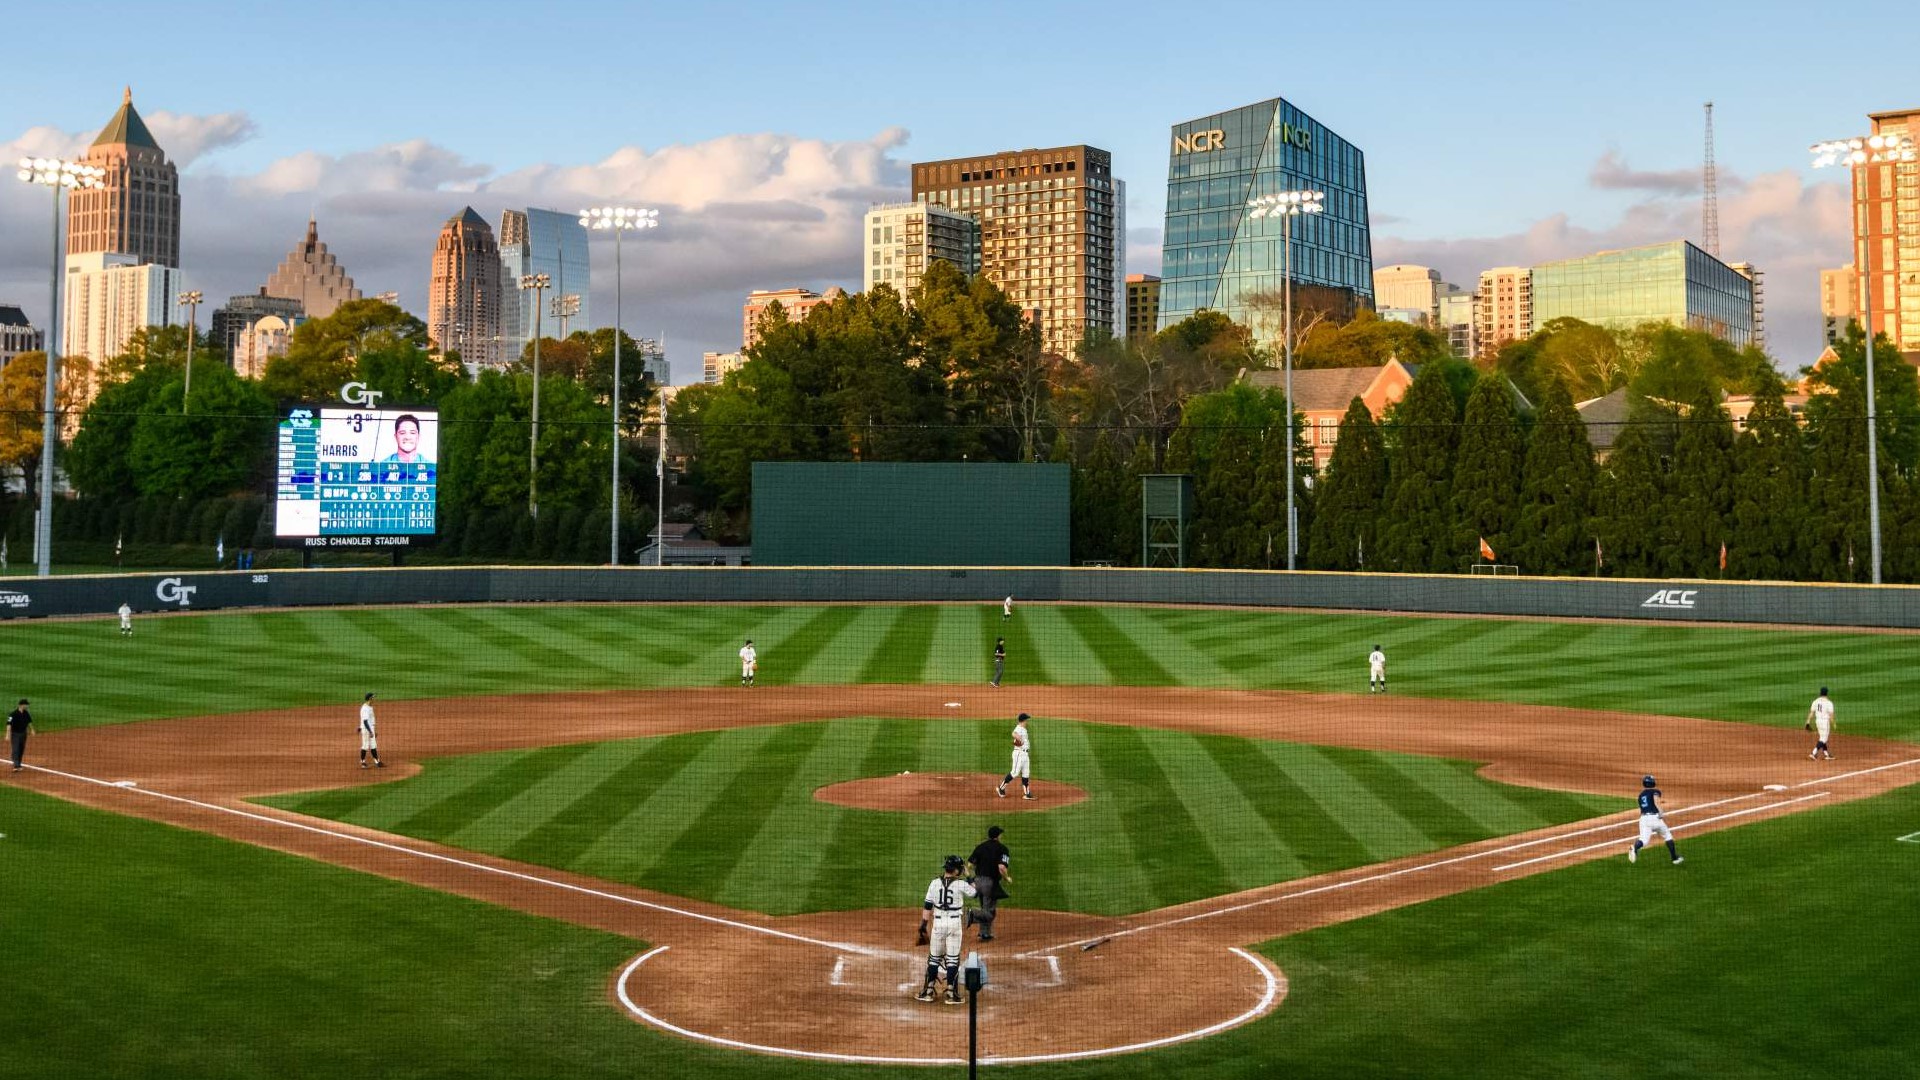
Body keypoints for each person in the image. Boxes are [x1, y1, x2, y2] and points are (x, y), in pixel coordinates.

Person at [915, 854, 978, 1005]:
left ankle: (928, 991)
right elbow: (975, 893)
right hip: (954, 924)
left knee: (934, 958)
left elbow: (928, 907)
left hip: (938, 924)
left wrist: (923, 926)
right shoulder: (961, 884)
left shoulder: (934, 883)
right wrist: (969, 877)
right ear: (956, 870)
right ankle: (951, 994)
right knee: (952, 959)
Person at [967, 825, 1012, 941]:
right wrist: (1007, 878)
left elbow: (969, 865)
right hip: (990, 883)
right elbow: (1002, 867)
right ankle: (973, 915)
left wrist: (974, 876)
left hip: (978, 881)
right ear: (998, 836)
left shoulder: (980, 847)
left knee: (985, 907)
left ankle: (984, 933)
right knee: (990, 913)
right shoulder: (1002, 848)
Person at [1627, 774, 1682, 865]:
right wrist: (1661, 811)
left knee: (1644, 840)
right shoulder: (1655, 791)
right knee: (1667, 836)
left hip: (1644, 819)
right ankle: (1674, 858)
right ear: (1653, 783)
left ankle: (1635, 848)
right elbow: (1656, 801)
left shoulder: (1640, 796)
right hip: (1655, 818)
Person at [997, 713, 1034, 800]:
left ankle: (1027, 794)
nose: (1027, 721)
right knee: (1015, 772)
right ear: (1023, 720)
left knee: (1026, 773)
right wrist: (1019, 738)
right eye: (1026, 720)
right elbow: (1013, 733)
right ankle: (1001, 788)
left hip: (1025, 754)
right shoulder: (1019, 728)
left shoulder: (1024, 729)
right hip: (1019, 754)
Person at [1807, 686, 1835, 761]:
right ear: (1827, 693)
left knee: (1822, 737)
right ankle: (1813, 753)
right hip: (1825, 722)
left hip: (1818, 721)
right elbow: (1831, 715)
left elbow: (1811, 713)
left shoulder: (1815, 701)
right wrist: (1833, 723)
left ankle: (1826, 755)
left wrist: (1808, 722)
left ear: (1820, 693)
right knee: (1824, 738)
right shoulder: (1829, 703)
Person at [358, 692, 384, 769]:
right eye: (373, 697)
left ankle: (377, 762)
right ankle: (363, 762)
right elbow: (365, 721)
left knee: (373, 745)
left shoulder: (370, 707)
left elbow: (366, 720)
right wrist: (370, 731)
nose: (374, 699)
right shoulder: (365, 709)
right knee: (365, 746)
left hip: (370, 728)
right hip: (367, 729)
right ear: (370, 698)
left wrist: (371, 730)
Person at [7, 699, 33, 773]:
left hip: (23, 734)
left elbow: (29, 721)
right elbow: (8, 724)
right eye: (26, 704)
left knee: (21, 749)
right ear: (21, 705)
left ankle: (19, 764)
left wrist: (32, 729)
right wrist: (7, 734)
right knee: (16, 749)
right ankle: (16, 765)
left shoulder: (26, 713)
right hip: (15, 734)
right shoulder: (13, 714)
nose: (27, 706)